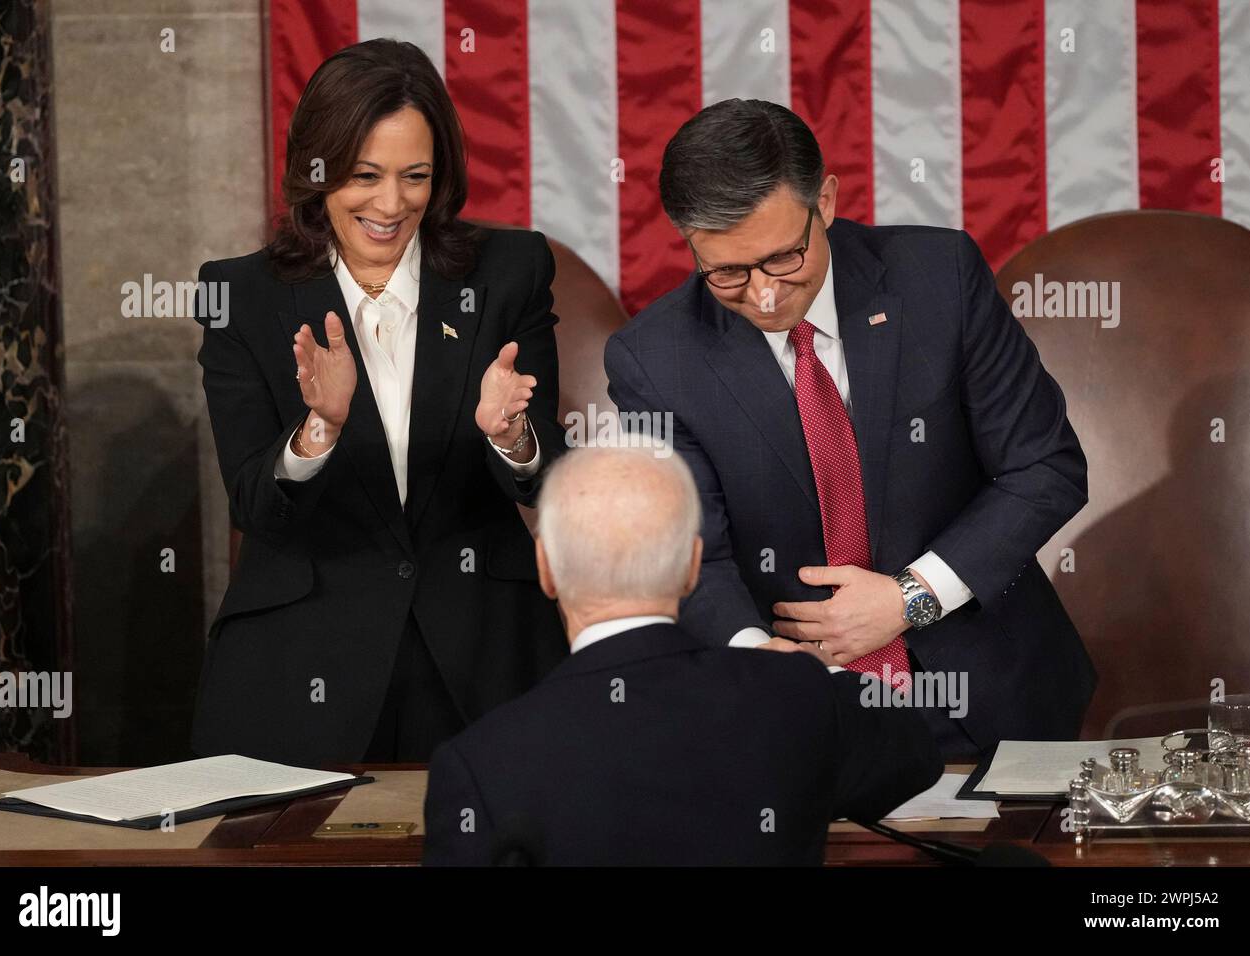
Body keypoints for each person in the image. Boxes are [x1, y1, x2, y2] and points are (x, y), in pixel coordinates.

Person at [604, 99, 1096, 759]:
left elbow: (1045, 468)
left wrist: (909, 599)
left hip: (993, 697)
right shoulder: (654, 359)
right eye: (727, 273)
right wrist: (758, 657)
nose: (765, 296)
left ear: (826, 202)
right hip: (792, 717)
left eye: (783, 258)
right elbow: (693, 553)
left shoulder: (937, 279)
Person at [190, 39, 567, 766]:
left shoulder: (509, 272)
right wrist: (318, 432)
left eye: (415, 176)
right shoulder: (240, 296)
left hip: (484, 653)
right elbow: (254, 507)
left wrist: (511, 436)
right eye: (364, 176)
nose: (391, 205)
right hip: (299, 657)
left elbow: (552, 481)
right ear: (315, 169)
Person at [422, 445, 942, 866]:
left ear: (546, 568)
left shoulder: (478, 765)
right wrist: (812, 671)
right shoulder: (797, 695)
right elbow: (916, 756)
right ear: (693, 567)